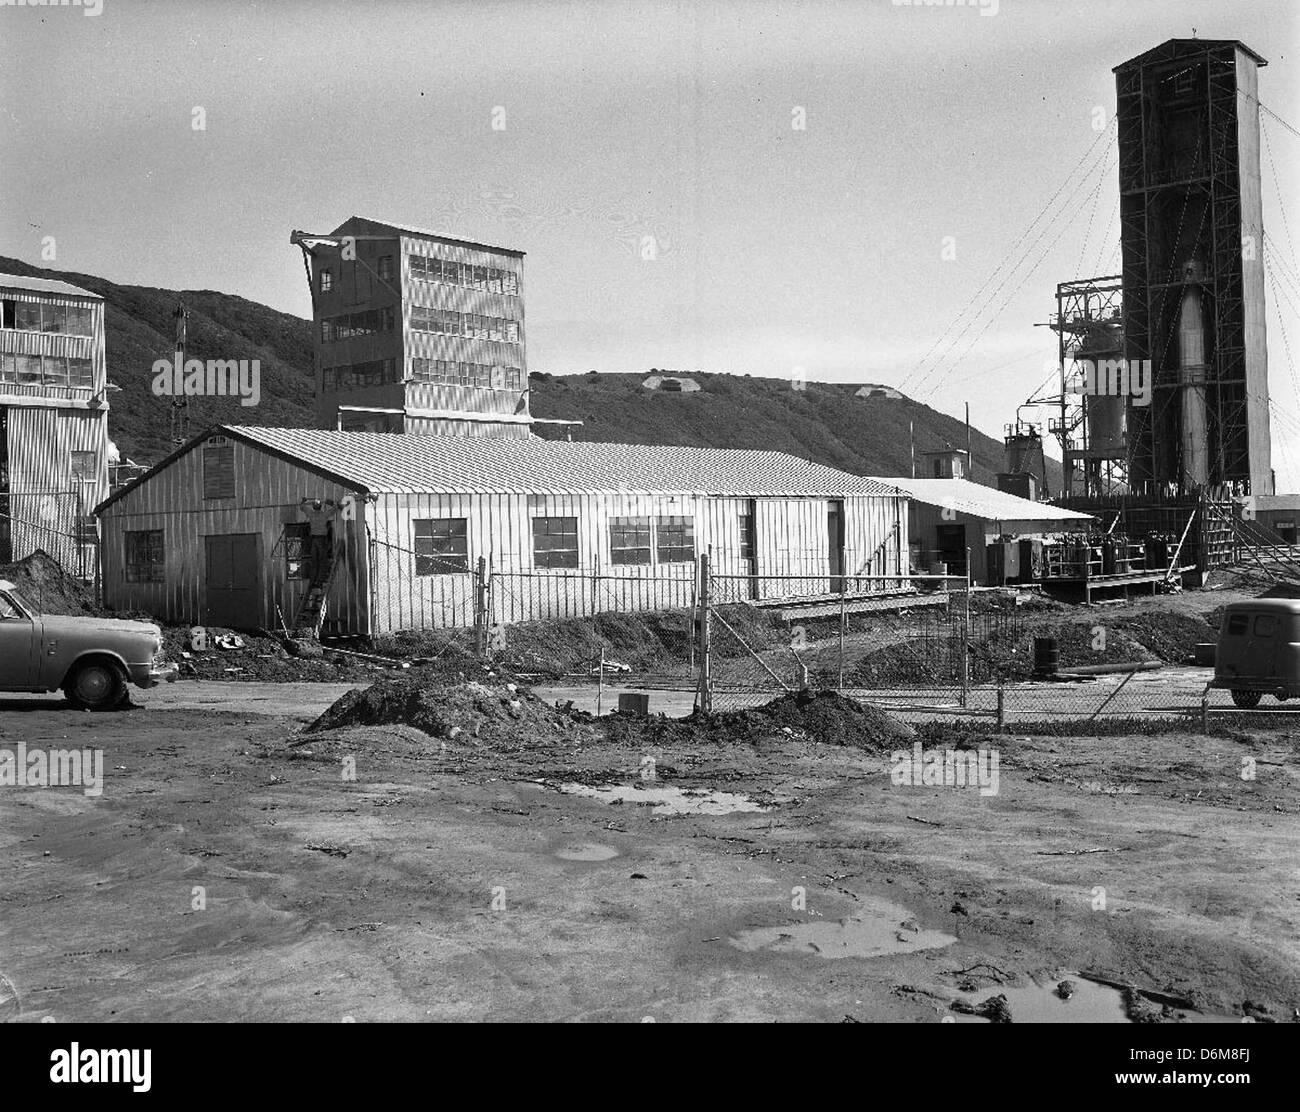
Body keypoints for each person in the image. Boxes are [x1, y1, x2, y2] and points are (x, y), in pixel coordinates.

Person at [299, 498, 338, 583]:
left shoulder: (311, 514)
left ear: (313, 507)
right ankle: (320, 580)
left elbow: (302, 507)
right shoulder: (324, 515)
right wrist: (331, 503)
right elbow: (335, 508)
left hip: (313, 540)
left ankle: (313, 580)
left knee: (314, 561)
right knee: (322, 560)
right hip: (321, 540)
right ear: (320, 507)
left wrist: (303, 501)